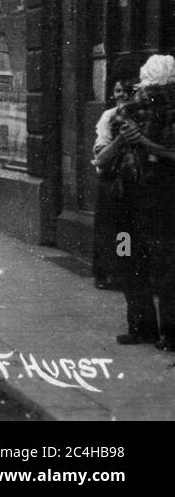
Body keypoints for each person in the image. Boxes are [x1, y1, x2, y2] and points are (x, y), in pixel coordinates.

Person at [100, 53, 175, 348]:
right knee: (169, 263)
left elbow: (108, 148)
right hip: (168, 194)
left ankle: (141, 328)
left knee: (131, 258)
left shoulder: (130, 107)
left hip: (132, 195)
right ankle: (171, 335)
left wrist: (139, 140)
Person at [92, 58, 140, 291]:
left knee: (127, 231)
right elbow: (100, 158)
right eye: (117, 91)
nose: (122, 95)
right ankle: (113, 273)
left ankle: (126, 271)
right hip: (111, 182)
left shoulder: (141, 113)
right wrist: (121, 140)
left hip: (132, 182)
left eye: (126, 91)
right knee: (114, 231)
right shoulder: (109, 117)